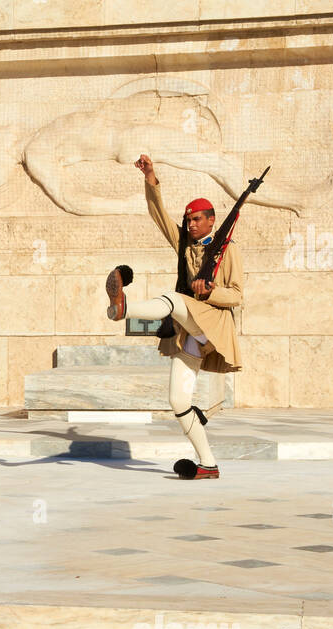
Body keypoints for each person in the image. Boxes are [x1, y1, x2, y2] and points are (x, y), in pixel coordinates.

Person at [103, 154, 244, 480]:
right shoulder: (183, 243)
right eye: (188, 219)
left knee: (172, 299)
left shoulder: (229, 249)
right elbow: (158, 215)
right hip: (191, 331)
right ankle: (208, 464)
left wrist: (210, 291)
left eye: (197, 219)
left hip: (214, 324)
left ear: (211, 220)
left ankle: (124, 309)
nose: (191, 224)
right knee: (178, 399)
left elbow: (238, 294)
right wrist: (151, 178)